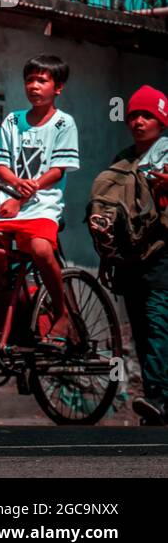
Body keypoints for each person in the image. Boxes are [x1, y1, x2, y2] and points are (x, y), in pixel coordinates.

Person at [0, 54, 81, 358]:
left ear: (58, 87)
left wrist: (26, 192)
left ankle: (62, 315)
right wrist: (14, 184)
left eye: (42, 80)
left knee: (40, 250)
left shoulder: (64, 123)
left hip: (42, 206)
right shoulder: (13, 120)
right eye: (30, 80)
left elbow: (58, 170)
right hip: (6, 204)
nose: (34, 86)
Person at [106, 85, 168, 424]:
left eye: (147, 115)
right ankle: (157, 399)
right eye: (133, 116)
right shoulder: (122, 159)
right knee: (142, 329)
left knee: (158, 323)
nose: (139, 121)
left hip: (162, 255)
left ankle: (158, 396)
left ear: (161, 120)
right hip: (130, 258)